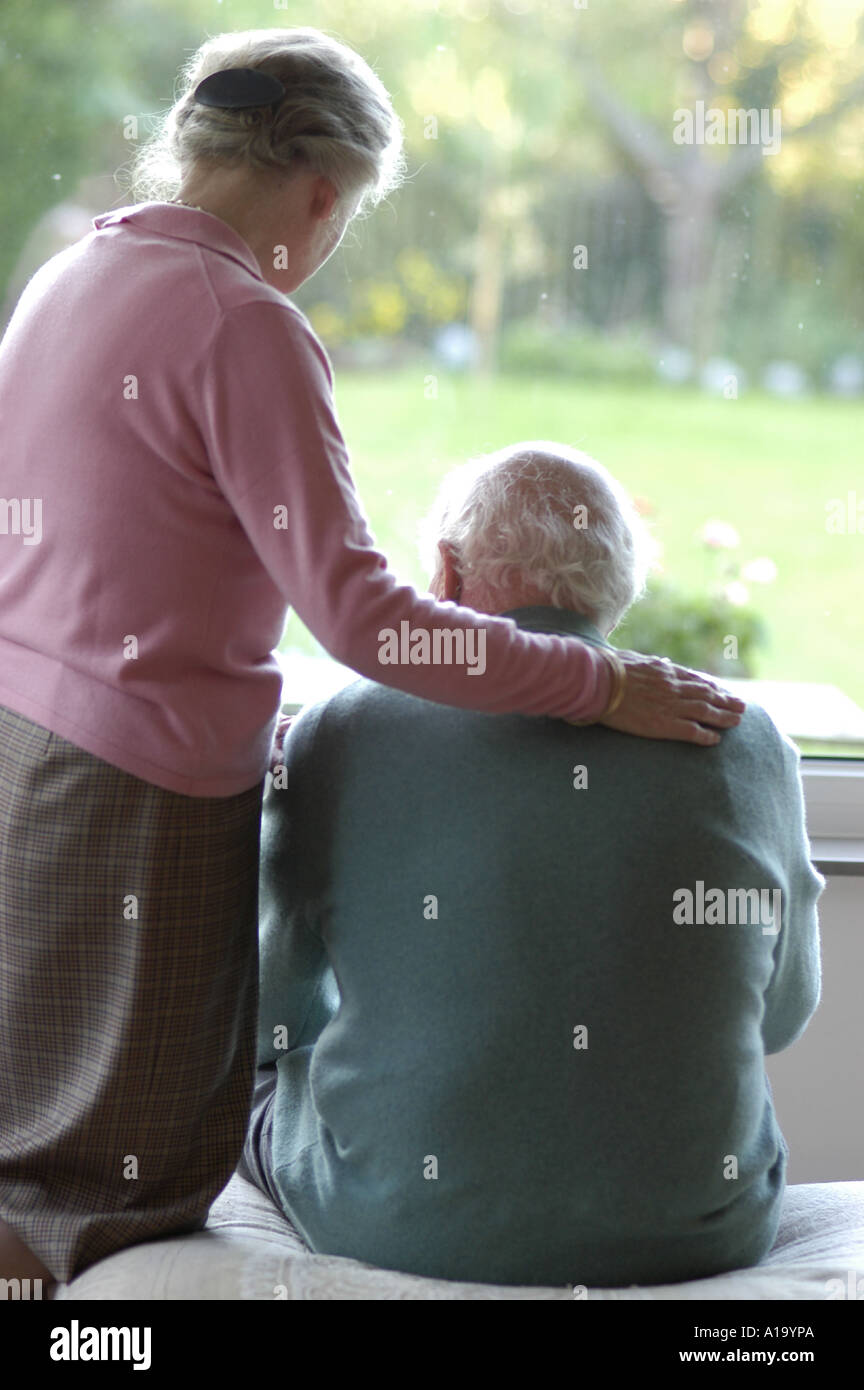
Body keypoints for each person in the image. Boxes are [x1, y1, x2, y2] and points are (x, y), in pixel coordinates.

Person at [0, 28, 743, 1291]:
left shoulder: (73, 276)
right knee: (111, 1182)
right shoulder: (245, 322)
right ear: (323, 192)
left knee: (31, 1141)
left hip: (27, 751)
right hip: (138, 795)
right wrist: (601, 682)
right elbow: (361, 618)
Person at [242, 442, 823, 1288]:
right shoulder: (749, 741)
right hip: (702, 1233)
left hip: (396, 1224)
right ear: (615, 594)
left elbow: (269, 1017)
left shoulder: (340, 729)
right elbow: (781, 1017)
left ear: (442, 572)